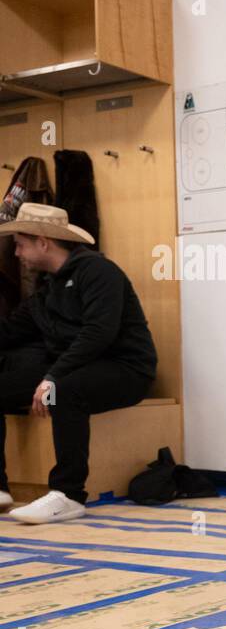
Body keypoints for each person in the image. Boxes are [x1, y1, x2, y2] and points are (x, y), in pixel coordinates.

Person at [0, 203, 158, 523]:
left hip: (125, 369)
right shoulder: (46, 291)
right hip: (76, 368)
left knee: (63, 390)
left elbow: (99, 334)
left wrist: (52, 376)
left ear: (43, 243)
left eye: (20, 244)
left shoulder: (99, 272)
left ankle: (68, 494)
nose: (16, 253)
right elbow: (9, 333)